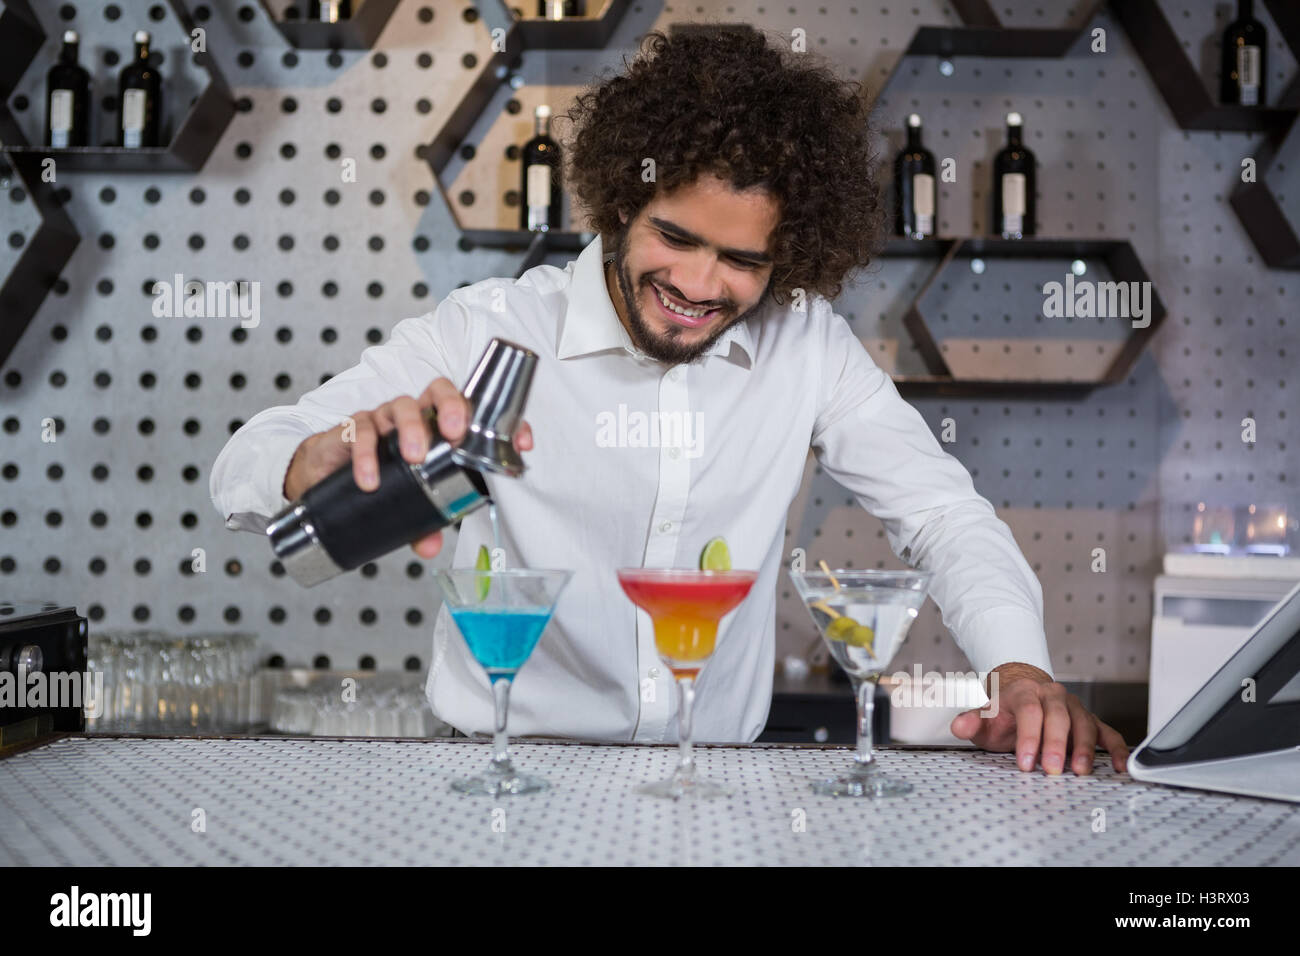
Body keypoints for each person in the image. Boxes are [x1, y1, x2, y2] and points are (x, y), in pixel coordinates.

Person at [211, 26, 1128, 775]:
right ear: (618, 204)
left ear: (791, 256)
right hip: (501, 770)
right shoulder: (494, 329)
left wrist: (1019, 669)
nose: (697, 284)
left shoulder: (805, 344)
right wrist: (313, 457)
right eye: (674, 237)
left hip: (716, 786)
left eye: (741, 261)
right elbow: (252, 456)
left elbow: (939, 513)